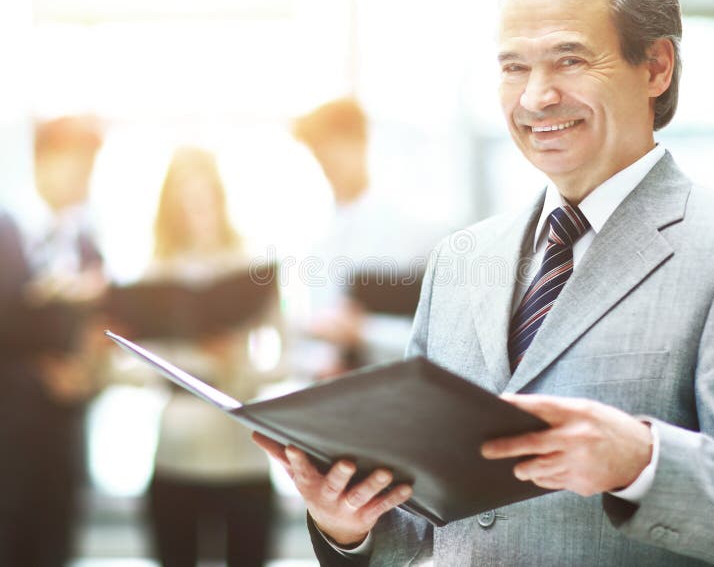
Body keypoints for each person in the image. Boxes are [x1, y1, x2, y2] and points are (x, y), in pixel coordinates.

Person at [254, 0, 714, 565]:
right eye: (514, 67)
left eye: (569, 59)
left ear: (656, 67)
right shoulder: (461, 259)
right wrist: (345, 523)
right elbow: (416, 529)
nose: (537, 97)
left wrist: (641, 462)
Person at [127, 146, 286, 567]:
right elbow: (130, 365)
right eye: (185, 201)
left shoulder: (252, 267)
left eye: (204, 198)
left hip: (242, 459)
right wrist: (178, 359)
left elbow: (286, 360)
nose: (196, 211)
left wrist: (237, 363)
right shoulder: (154, 273)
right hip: (175, 457)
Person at [0, 115, 107, 567]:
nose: (86, 180)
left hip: (64, 439)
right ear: (46, 162)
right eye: (79, 166)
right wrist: (43, 367)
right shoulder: (7, 231)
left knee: (57, 546)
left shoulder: (85, 244)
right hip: (9, 438)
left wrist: (88, 370)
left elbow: (102, 326)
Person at [292, 98, 441, 377]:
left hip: (396, 384)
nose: (328, 165)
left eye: (335, 150)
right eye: (319, 154)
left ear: (361, 143)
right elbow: (318, 334)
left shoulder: (414, 233)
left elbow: (437, 340)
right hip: (336, 388)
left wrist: (364, 331)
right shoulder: (320, 243)